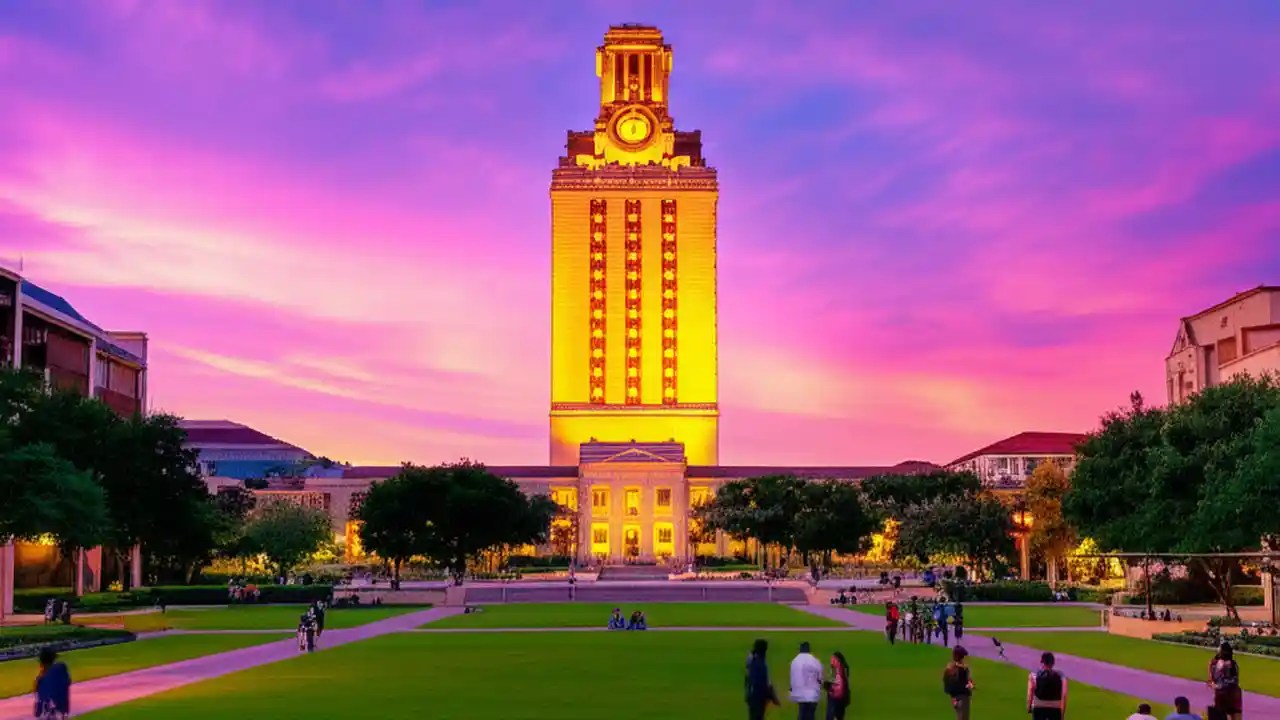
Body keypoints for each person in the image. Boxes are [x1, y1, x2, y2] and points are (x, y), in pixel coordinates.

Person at [1026, 651, 1067, 720]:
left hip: (1038, 706)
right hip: (1055, 708)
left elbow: (1031, 691)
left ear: (1042, 662)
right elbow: (1064, 695)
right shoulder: (1061, 676)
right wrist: (1062, 713)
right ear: (1053, 663)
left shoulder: (1034, 674)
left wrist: (1029, 706)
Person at [745, 639, 779, 720]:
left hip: (752, 695)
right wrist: (771, 696)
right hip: (758, 697)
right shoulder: (760, 664)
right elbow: (763, 682)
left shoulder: (752, 660)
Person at [790, 641, 823, 720]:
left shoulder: (794, 661)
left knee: (802, 713)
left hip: (799, 693)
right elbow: (820, 678)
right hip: (812, 694)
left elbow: (793, 678)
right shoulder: (815, 660)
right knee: (810, 715)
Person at [34, 647, 71, 719]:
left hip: (50, 714)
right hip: (57, 713)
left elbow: (39, 706)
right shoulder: (61, 669)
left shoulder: (40, 680)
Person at [1207, 642, 1241, 720]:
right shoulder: (1216, 663)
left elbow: (1233, 680)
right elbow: (1212, 678)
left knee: (1230, 713)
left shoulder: (1229, 664)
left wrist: (1217, 685)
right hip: (1225, 693)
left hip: (1227, 693)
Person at [942, 645, 973, 720]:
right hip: (963, 698)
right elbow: (968, 683)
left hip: (955, 698)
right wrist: (970, 685)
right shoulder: (964, 669)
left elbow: (947, 684)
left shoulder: (949, 669)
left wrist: (953, 698)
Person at [822, 651, 850, 720]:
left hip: (834, 695)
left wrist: (826, 685)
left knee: (831, 715)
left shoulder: (835, 668)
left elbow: (833, 678)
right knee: (839, 715)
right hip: (843, 695)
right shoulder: (845, 668)